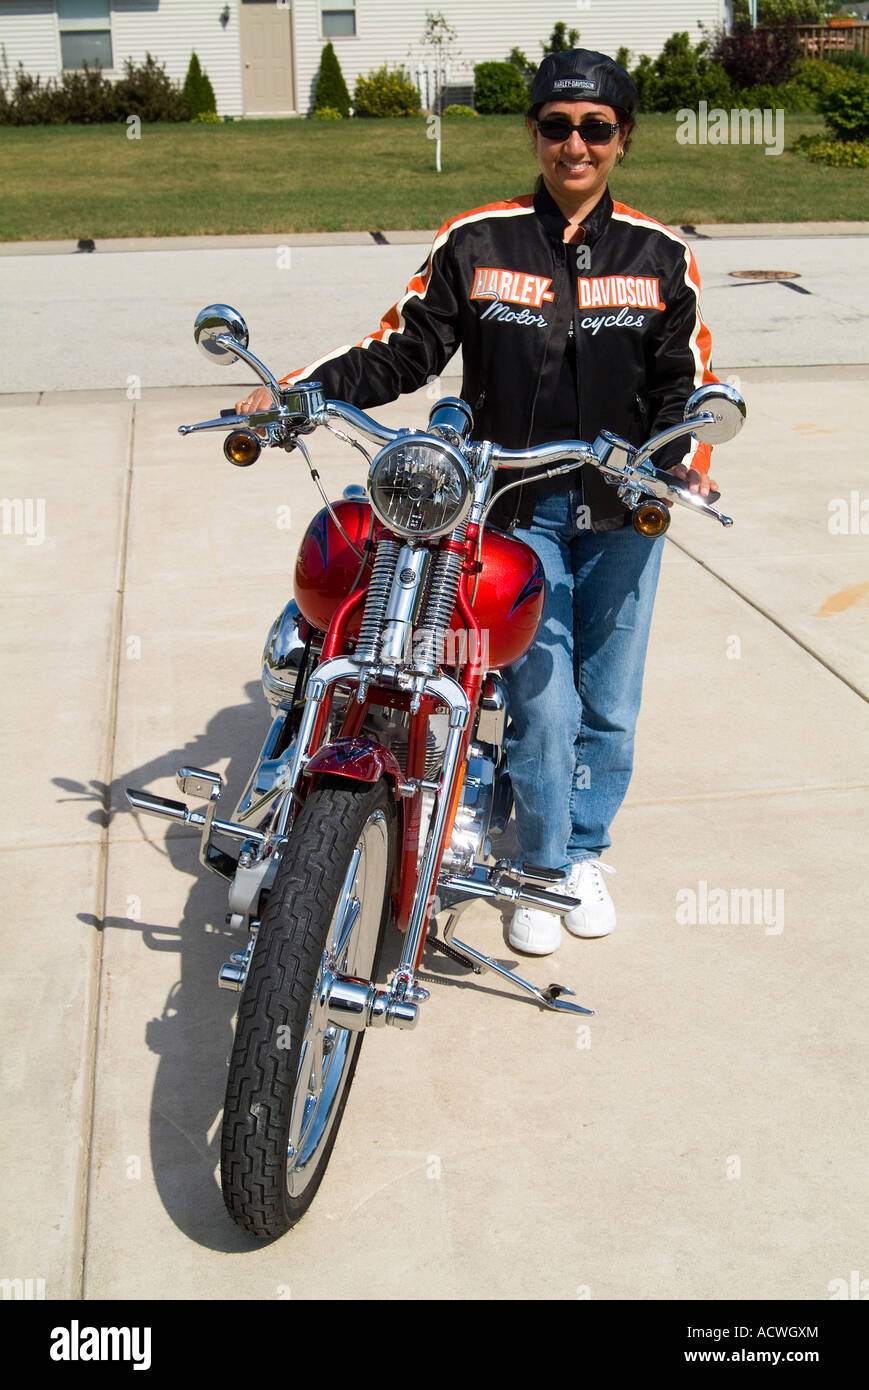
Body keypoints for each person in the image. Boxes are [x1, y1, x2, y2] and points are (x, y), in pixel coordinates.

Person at [237, 49, 719, 957]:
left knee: (607, 699)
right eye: (556, 125)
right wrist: (303, 388)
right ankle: (539, 866)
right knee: (540, 697)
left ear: (622, 140)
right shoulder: (478, 240)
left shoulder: (660, 254)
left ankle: (582, 850)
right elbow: (401, 349)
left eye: (595, 128)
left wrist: (682, 456)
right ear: (532, 131)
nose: (573, 144)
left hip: (620, 514)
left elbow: (682, 379)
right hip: (513, 511)